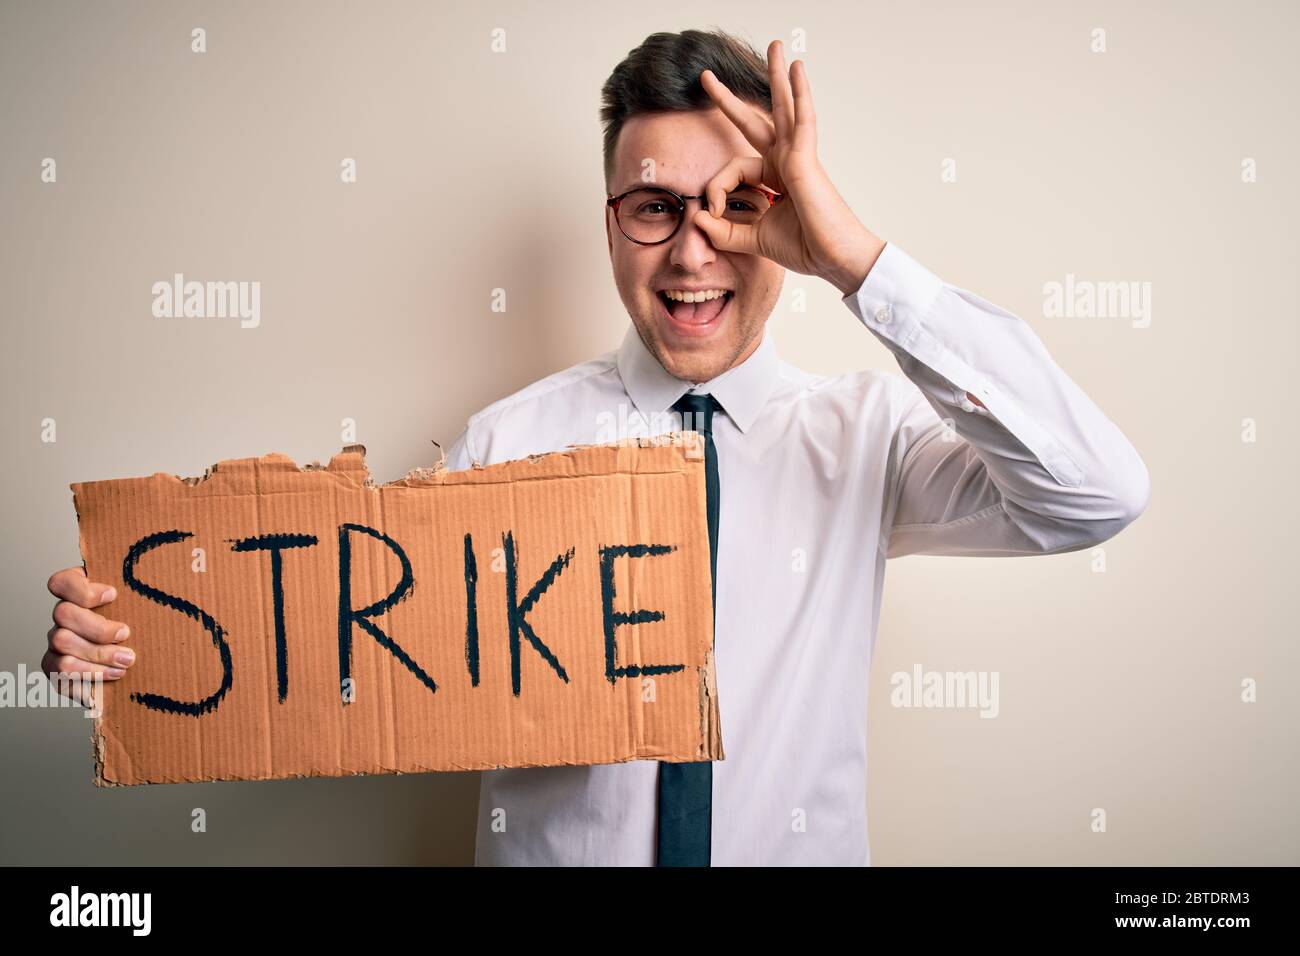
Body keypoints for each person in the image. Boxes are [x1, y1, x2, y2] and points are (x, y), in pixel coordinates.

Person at [43, 29, 1150, 866]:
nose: (693, 250)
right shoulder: (503, 443)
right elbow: (345, 663)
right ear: (609, 214)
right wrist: (139, 655)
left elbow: (1092, 492)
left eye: (737, 204)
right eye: (653, 207)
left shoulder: (867, 441)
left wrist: (852, 255)